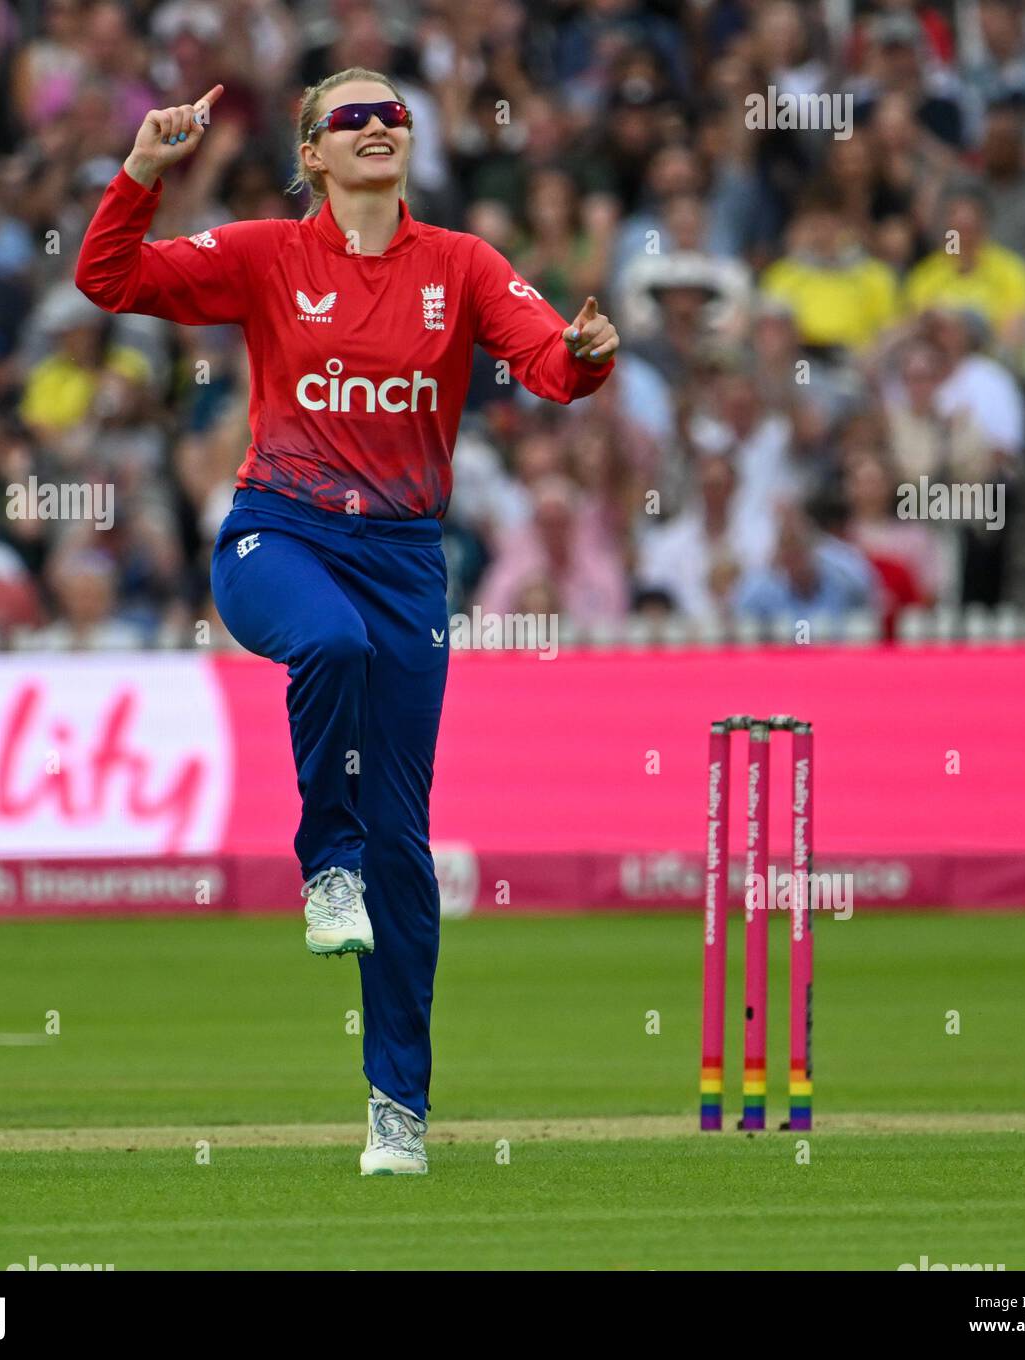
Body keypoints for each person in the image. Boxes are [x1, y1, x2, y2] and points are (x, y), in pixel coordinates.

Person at [74, 68, 618, 1176]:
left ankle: (396, 1108)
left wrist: (586, 356)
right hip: (279, 536)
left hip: (405, 563)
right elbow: (108, 275)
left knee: (404, 849)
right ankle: (326, 864)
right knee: (328, 644)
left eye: (393, 114)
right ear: (313, 153)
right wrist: (141, 172)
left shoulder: (461, 264)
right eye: (351, 118)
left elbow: (548, 364)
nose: (378, 127)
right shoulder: (268, 253)